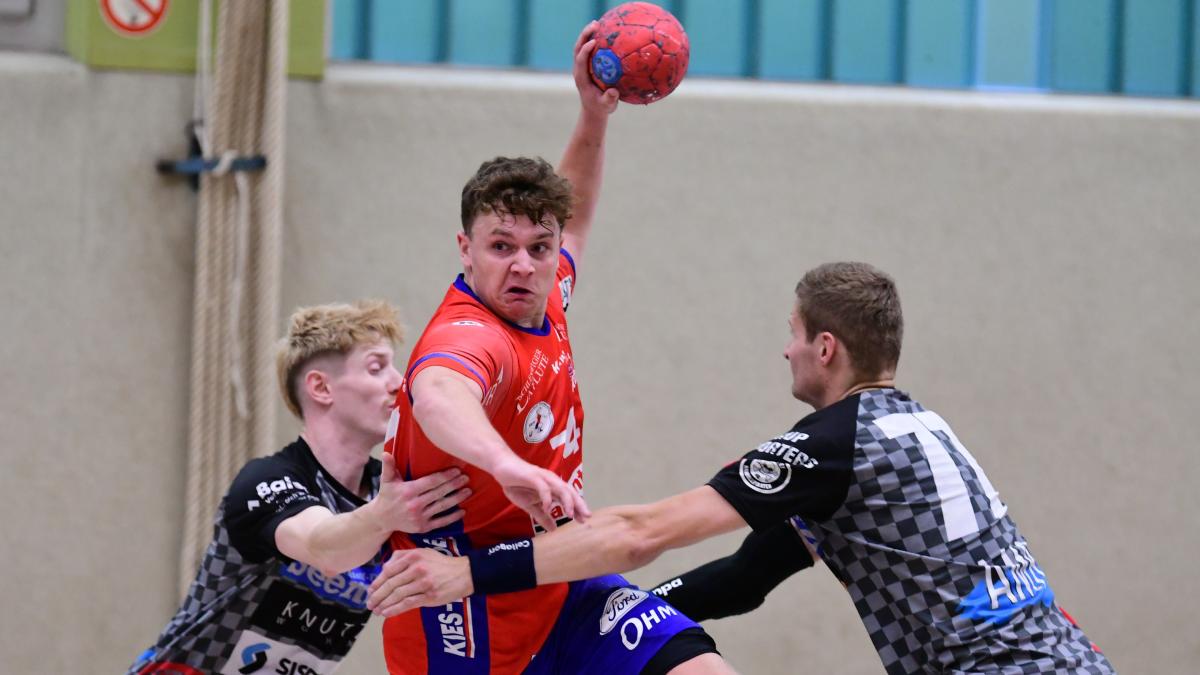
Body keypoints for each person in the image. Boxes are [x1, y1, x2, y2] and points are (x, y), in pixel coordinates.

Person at [369, 262, 1117, 674]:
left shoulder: (833, 445)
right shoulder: (920, 428)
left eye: (793, 334)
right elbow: (749, 575)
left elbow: (637, 533)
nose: (785, 350)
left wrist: (469, 573)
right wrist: (624, 621)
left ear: (826, 348)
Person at [376, 22, 731, 675]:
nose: (523, 264)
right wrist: (503, 463)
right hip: (460, 605)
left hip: (561, 581)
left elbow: (579, 212)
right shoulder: (471, 333)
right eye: (500, 246)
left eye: (539, 247)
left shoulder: (546, 292)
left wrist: (594, 115)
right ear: (465, 250)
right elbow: (439, 394)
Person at [129, 300, 471, 675]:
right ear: (321, 387)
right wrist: (384, 516)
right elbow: (323, 547)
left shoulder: (386, 489)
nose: (398, 382)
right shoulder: (266, 481)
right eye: (376, 368)